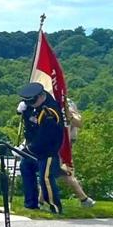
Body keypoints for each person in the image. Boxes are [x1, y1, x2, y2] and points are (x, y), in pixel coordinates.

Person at [18, 81, 64, 214]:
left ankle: (55, 206)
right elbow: (30, 126)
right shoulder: (33, 106)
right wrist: (22, 111)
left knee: (45, 178)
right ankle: (30, 204)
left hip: (46, 151)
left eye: (31, 101)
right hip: (32, 147)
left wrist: (26, 150)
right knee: (25, 169)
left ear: (41, 96)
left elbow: (44, 138)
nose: (30, 104)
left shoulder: (49, 112)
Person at [58, 97, 95, 208]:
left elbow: (78, 122)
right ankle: (84, 199)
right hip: (54, 143)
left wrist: (67, 112)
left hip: (64, 144)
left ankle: (84, 199)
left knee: (52, 172)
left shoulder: (66, 102)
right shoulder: (48, 101)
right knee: (52, 172)